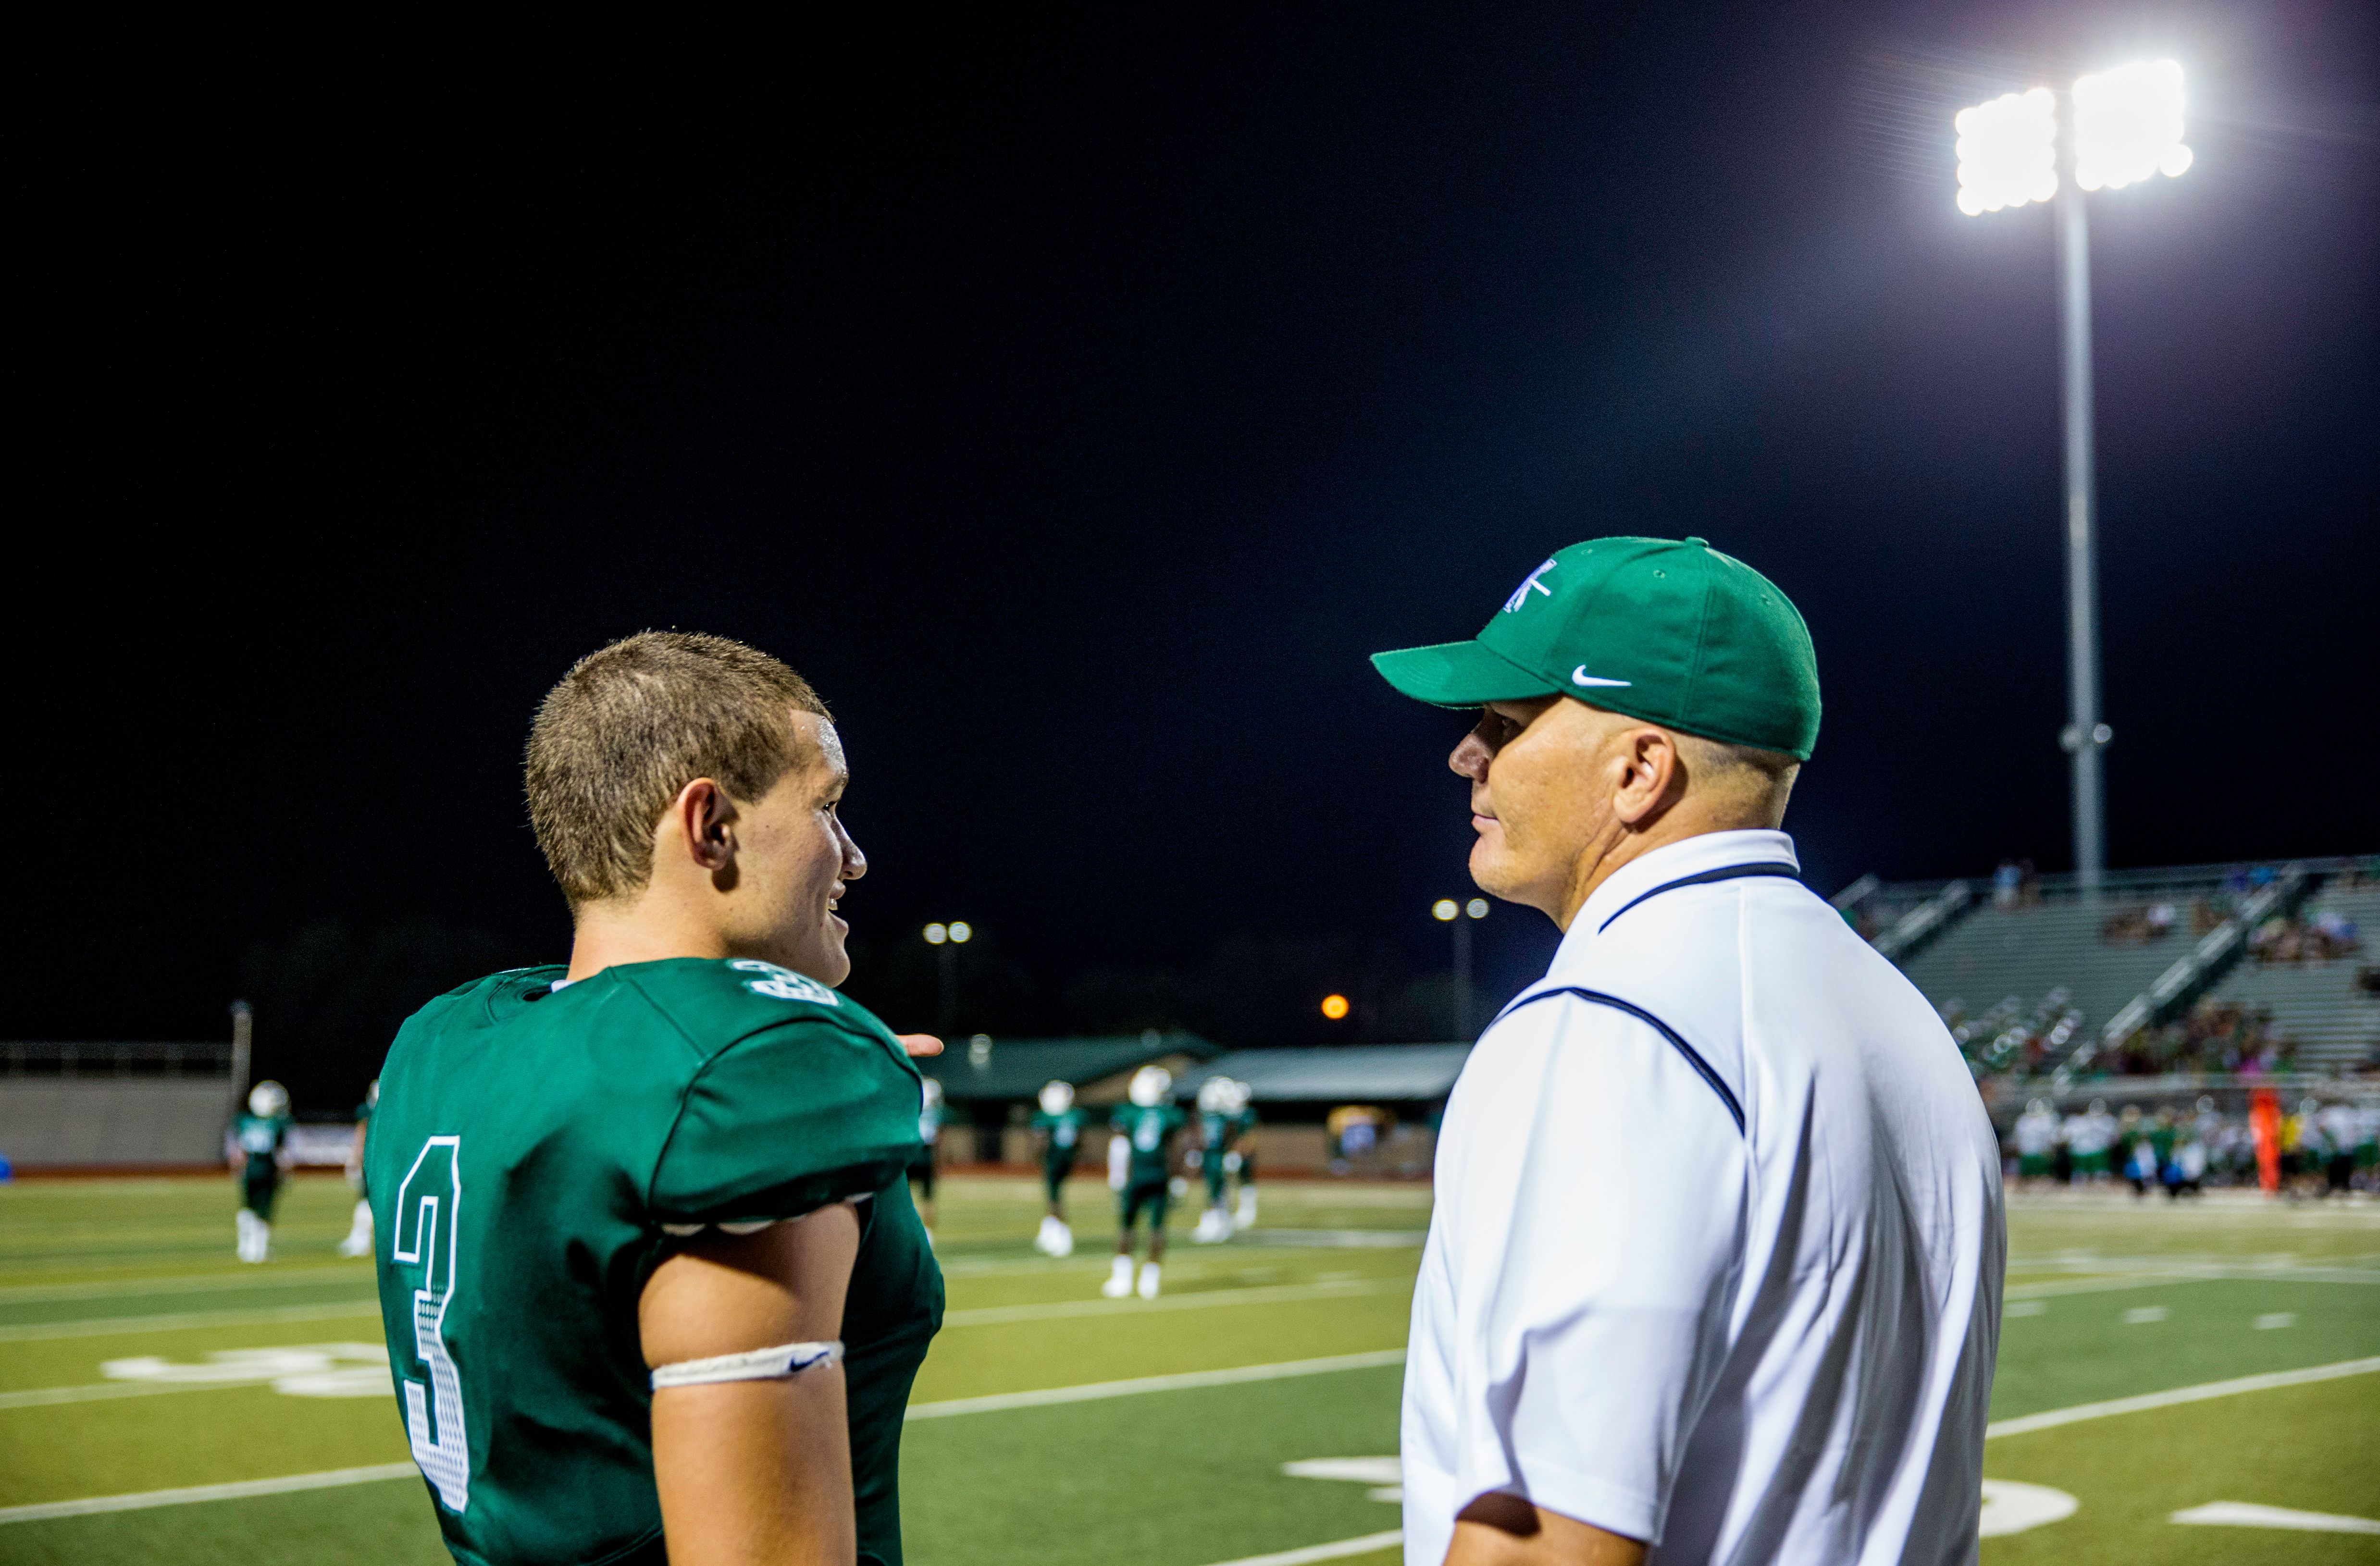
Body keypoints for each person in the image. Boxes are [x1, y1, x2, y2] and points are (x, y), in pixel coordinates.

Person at [1370, 536, 2002, 1566]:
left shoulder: (1607, 1026)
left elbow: (1546, 1544)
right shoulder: (1899, 1018)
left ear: (1638, 769)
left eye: (1502, 720)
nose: (1465, 755)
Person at [366, 632, 943, 1566]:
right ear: (710, 826)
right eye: (828, 807)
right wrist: (793, 1050)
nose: (854, 854)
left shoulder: (447, 1041)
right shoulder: (751, 1071)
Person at [1104, 1065, 1183, 1299]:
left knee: (1127, 1227)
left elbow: (1119, 1148)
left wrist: (1117, 1177)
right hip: (1160, 1175)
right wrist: (1178, 1180)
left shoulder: (1127, 1113)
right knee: (1157, 1228)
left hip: (1135, 1176)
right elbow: (1176, 1151)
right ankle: (1151, 1281)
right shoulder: (1171, 1115)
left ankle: (1122, 1279)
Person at [230, 1080, 293, 1264]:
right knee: (264, 1211)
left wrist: (237, 1169)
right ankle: (258, 1249)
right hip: (266, 1170)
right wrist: (285, 1174)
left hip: (249, 1170)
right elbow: (280, 1153)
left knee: (247, 1207)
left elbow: (239, 1152)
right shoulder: (277, 1123)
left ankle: (244, 1246)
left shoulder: (244, 1121)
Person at [1031, 1080, 1085, 1256]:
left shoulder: (1047, 1118)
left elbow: (1041, 1145)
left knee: (1054, 1198)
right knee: (1055, 1197)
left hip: (1054, 1160)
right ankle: (1049, 1231)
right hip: (1068, 1160)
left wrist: (1040, 1158)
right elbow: (1079, 1142)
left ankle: (1061, 1235)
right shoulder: (1074, 1116)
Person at [1191, 1076, 1240, 1243]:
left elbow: (1231, 1136)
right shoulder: (1207, 1116)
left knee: (1218, 1189)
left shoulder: (1226, 1117)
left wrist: (1232, 1153)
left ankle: (1219, 1222)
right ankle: (1217, 1221)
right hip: (1210, 1154)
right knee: (1213, 1188)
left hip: (1219, 1155)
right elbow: (1202, 1136)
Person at [337, 1077, 378, 1258]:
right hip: (382, 1163)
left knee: (367, 1202)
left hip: (376, 1163)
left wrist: (355, 1158)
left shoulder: (369, 1112)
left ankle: (361, 1241)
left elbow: (361, 1137)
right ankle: (360, 1239)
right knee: (367, 1202)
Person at [910, 1077, 945, 1244]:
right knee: (928, 1197)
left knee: (906, 1195)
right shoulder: (935, 1113)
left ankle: (911, 1230)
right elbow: (937, 1138)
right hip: (924, 1153)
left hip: (911, 1153)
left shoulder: (910, 1108)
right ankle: (927, 1232)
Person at [1227, 1078, 1262, 1230]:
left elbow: (1250, 1135)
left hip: (1242, 1153)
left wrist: (1243, 1151)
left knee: (1245, 1181)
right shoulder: (1228, 1113)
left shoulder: (1248, 1114)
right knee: (1227, 1183)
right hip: (1230, 1153)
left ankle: (1248, 1211)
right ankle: (1226, 1212)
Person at [2013, 1098, 2059, 1188]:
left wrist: (2049, 1150)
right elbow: (2018, 1137)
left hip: (2040, 1152)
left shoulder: (2045, 1121)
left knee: (2043, 1175)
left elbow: (2048, 1138)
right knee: (2028, 1176)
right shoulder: (2024, 1121)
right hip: (2028, 1151)